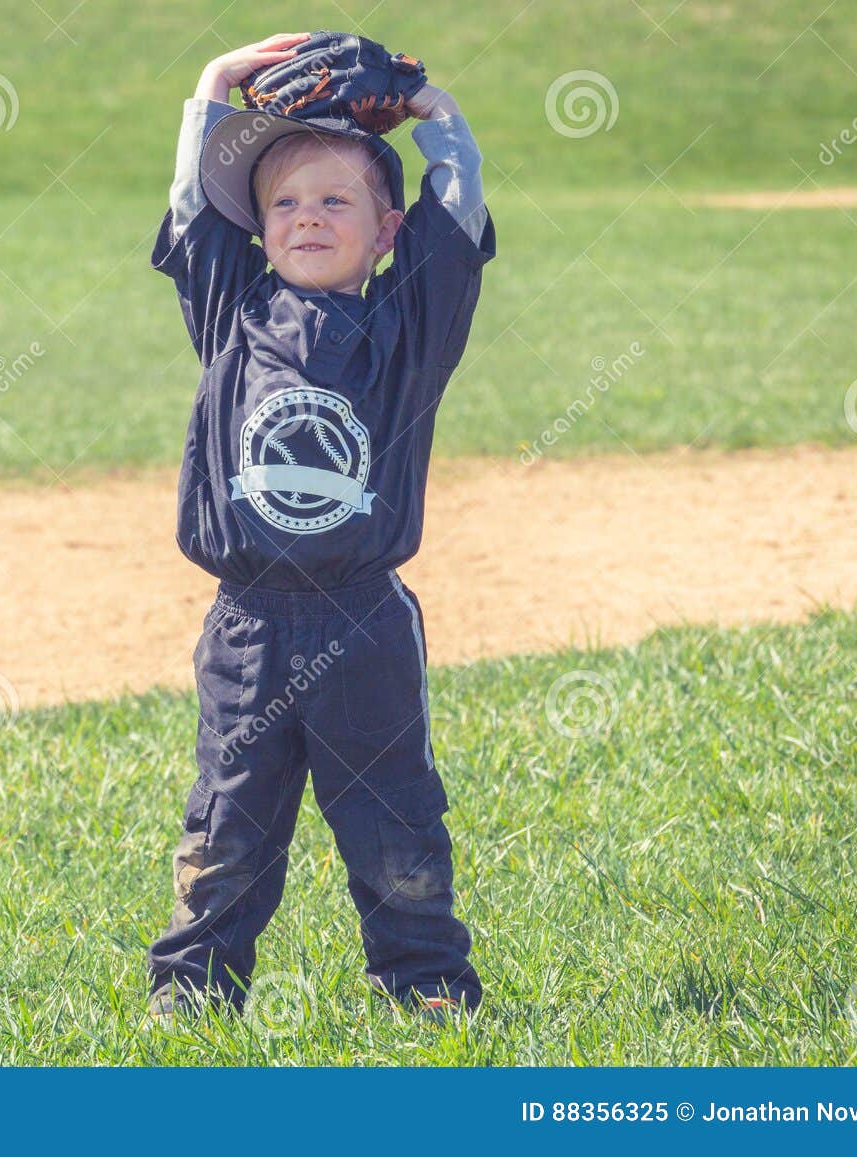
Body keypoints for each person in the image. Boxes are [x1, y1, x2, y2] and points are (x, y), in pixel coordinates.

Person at [145, 32, 495, 1020]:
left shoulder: (407, 329)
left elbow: (456, 219)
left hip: (360, 626)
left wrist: (433, 113)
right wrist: (215, 80)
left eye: (335, 201)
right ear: (255, 228)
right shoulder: (230, 314)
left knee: (395, 824)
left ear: (386, 230)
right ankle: (192, 1003)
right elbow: (191, 208)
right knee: (228, 825)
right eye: (285, 202)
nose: (306, 216)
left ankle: (427, 992)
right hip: (247, 626)